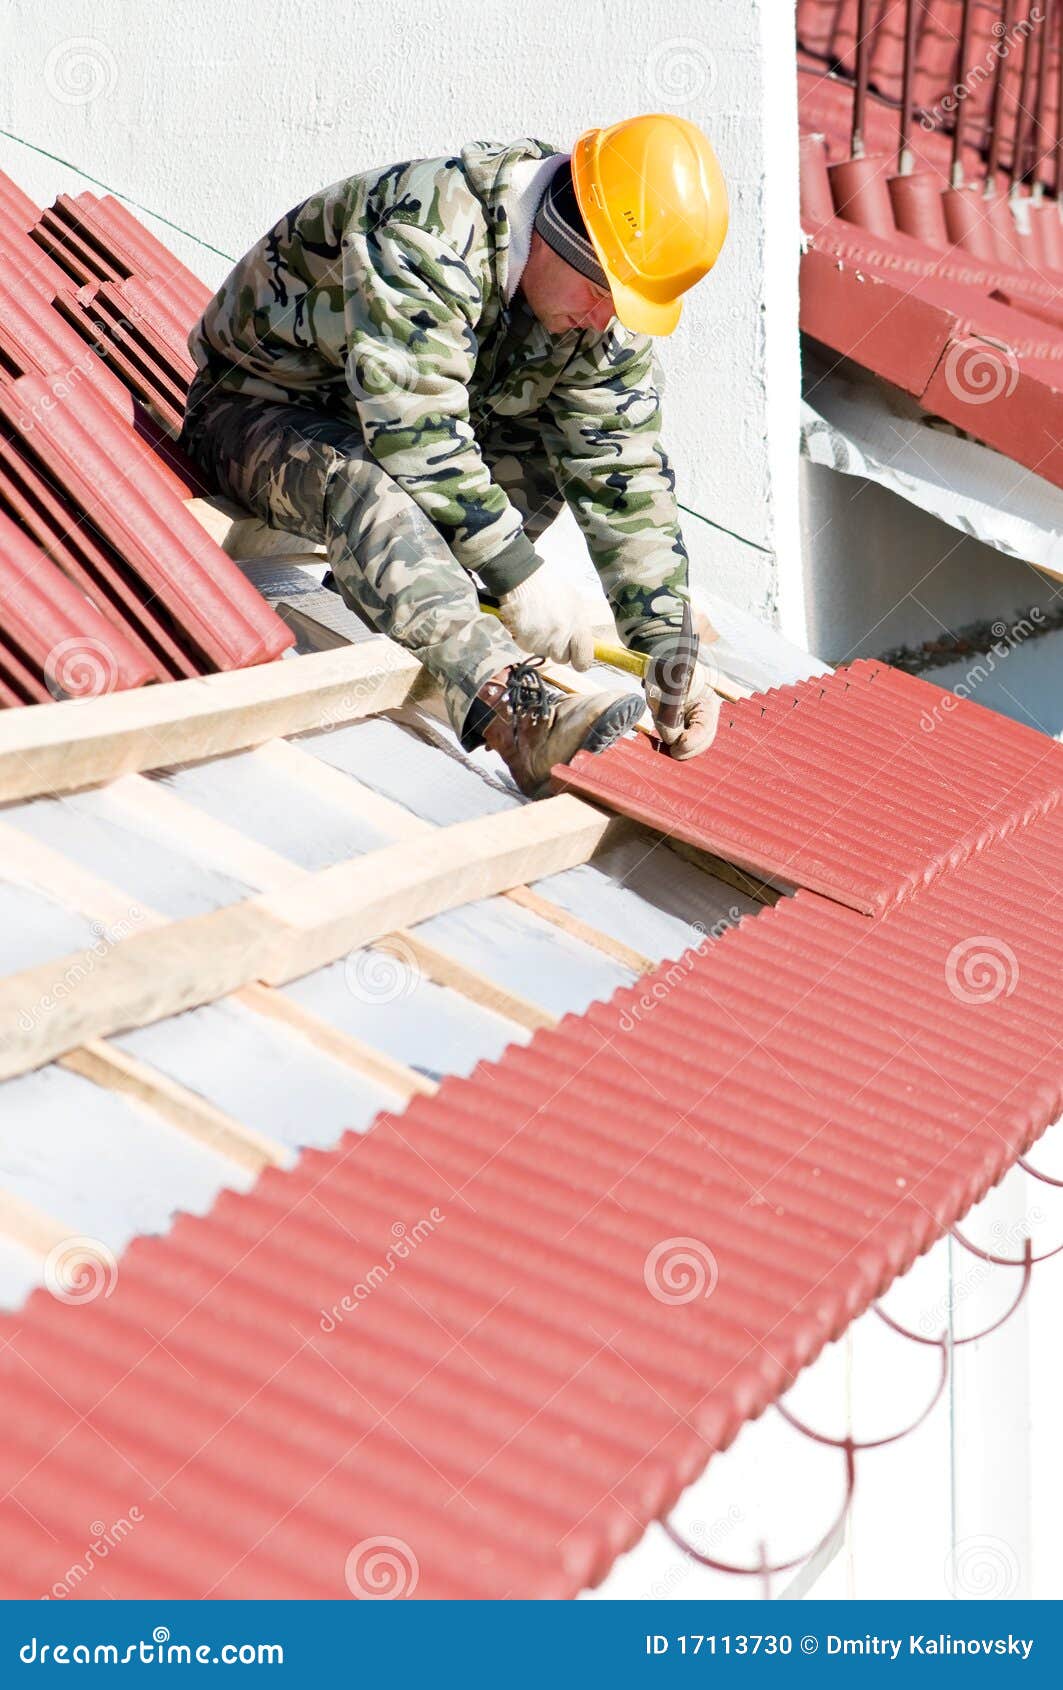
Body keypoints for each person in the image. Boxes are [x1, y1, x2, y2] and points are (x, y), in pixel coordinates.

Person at [180, 114, 729, 797]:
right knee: (367, 484)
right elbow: (412, 430)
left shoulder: (590, 299)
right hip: (261, 411)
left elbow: (619, 470)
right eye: (602, 294)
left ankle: (425, 601)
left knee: (539, 442)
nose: (601, 320)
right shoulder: (426, 228)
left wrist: (669, 648)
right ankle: (517, 715)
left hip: (407, 435)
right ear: (560, 235)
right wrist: (518, 573)